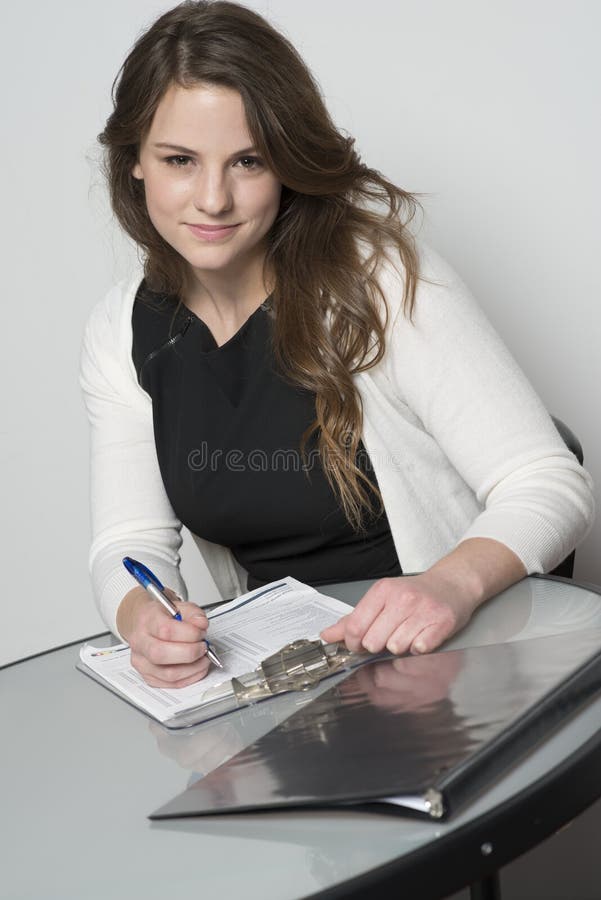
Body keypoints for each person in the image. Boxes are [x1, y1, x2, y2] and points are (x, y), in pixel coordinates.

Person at [80, 0, 594, 689]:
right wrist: (142, 616)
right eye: (179, 160)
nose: (212, 199)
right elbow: (130, 542)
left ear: (287, 164)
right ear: (134, 162)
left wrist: (447, 586)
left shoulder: (376, 280)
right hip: (294, 677)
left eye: (247, 162)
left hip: (452, 660)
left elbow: (547, 480)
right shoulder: (122, 330)